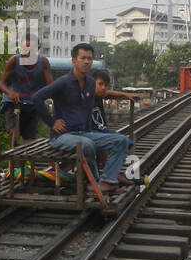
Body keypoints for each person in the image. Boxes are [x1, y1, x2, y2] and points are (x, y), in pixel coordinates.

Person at [28, 43, 133, 195]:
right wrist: (52, 122)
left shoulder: (90, 83)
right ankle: (94, 183)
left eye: (89, 58)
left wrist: (124, 94)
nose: (86, 62)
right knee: (87, 145)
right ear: (74, 61)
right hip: (62, 136)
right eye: (83, 58)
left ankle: (107, 181)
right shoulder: (63, 82)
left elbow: (96, 101)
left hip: (84, 134)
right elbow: (37, 98)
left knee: (121, 141)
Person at [0, 33, 53, 145]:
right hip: (14, 103)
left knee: (31, 138)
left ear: (38, 49)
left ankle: (30, 155)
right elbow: (1, 83)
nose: (27, 53)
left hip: (33, 103)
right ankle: (14, 154)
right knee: (13, 134)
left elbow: (51, 86)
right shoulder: (14, 61)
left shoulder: (43, 62)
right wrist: (10, 93)